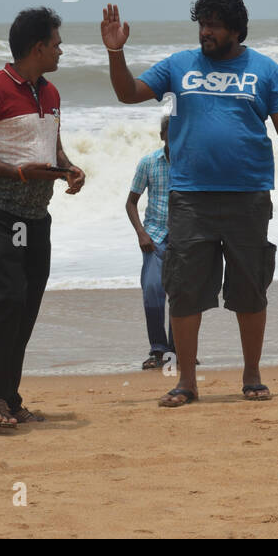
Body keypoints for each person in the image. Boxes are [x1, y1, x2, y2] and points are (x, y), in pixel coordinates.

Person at [101, 0, 278, 408]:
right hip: (191, 199)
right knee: (184, 290)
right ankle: (186, 382)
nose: (206, 32)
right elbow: (128, 93)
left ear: (236, 30)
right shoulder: (178, 65)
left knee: (251, 288)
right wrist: (115, 53)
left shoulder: (265, 69)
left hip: (248, 197)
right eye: (203, 24)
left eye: (215, 26)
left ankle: (252, 375)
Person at [0, 8, 86, 429]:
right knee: (9, 299)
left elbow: (51, 147)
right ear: (37, 47)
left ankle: (10, 397)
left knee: (26, 306)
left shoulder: (52, 93)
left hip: (35, 215)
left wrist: (69, 168)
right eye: (57, 43)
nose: (61, 50)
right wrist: (16, 172)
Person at [127, 115, 174, 369]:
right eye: (171, 132)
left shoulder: (192, 162)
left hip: (185, 238)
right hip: (154, 237)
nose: (176, 136)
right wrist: (141, 233)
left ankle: (178, 351)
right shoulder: (148, 162)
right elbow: (131, 202)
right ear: (162, 135)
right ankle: (158, 350)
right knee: (153, 291)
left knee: (181, 296)